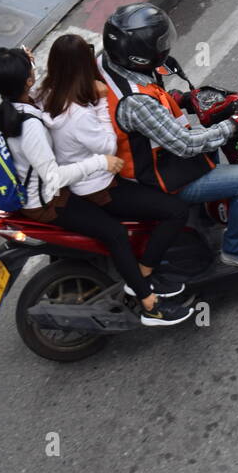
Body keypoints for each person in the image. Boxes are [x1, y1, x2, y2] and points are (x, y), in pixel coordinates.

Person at [0, 46, 192, 326]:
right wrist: (101, 163)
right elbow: (53, 177)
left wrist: (24, 60)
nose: (36, 71)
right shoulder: (31, 126)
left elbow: (11, 84)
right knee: (114, 233)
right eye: (32, 70)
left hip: (41, 193)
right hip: (48, 203)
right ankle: (149, 303)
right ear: (27, 82)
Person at [96, 2, 238, 274]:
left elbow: (154, 110)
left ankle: (210, 215)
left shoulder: (108, 62)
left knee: (210, 144)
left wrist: (179, 99)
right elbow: (186, 145)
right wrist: (233, 124)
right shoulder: (134, 102)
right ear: (140, 55)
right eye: (159, 42)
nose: (165, 46)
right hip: (155, 178)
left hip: (139, 160)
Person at [38, 33, 190, 299]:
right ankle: (145, 272)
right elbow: (108, 146)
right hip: (100, 187)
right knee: (176, 211)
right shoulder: (80, 114)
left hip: (76, 182)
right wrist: (102, 101)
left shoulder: (46, 95)